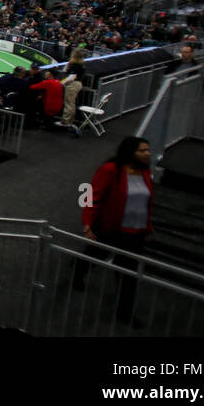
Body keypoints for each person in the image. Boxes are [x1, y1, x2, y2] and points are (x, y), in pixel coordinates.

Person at [74, 137, 154, 327]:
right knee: (94, 255)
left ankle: (124, 313)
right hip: (110, 227)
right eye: (142, 150)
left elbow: (145, 202)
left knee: (129, 275)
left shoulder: (145, 172)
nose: (147, 154)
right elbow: (94, 196)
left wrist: (148, 226)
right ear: (130, 152)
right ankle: (79, 272)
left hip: (134, 232)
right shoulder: (111, 170)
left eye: (148, 150)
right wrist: (87, 222)